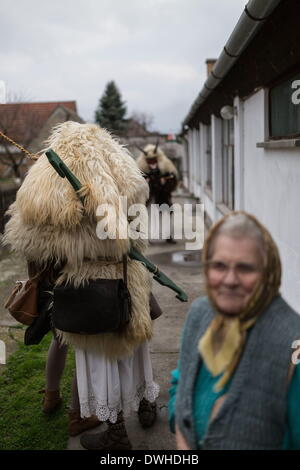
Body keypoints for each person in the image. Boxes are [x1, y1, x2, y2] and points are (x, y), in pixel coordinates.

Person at [3, 122, 159, 450]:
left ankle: (118, 432)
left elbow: (33, 244)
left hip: (93, 293)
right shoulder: (123, 182)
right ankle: (144, 405)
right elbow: (136, 231)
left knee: (104, 361)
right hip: (128, 284)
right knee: (133, 351)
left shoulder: (55, 198)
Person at [169, 211, 300, 450]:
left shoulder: (293, 342)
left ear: (267, 271)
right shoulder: (199, 314)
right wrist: (181, 437)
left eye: (245, 268)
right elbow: (180, 386)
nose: (230, 280)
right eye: (219, 265)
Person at [136, 142, 178, 243]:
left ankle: (168, 236)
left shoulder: (166, 167)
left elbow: (173, 179)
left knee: (166, 215)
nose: (151, 162)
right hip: (148, 197)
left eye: (153, 160)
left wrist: (165, 184)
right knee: (147, 216)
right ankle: (146, 237)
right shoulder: (141, 170)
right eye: (149, 161)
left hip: (162, 195)